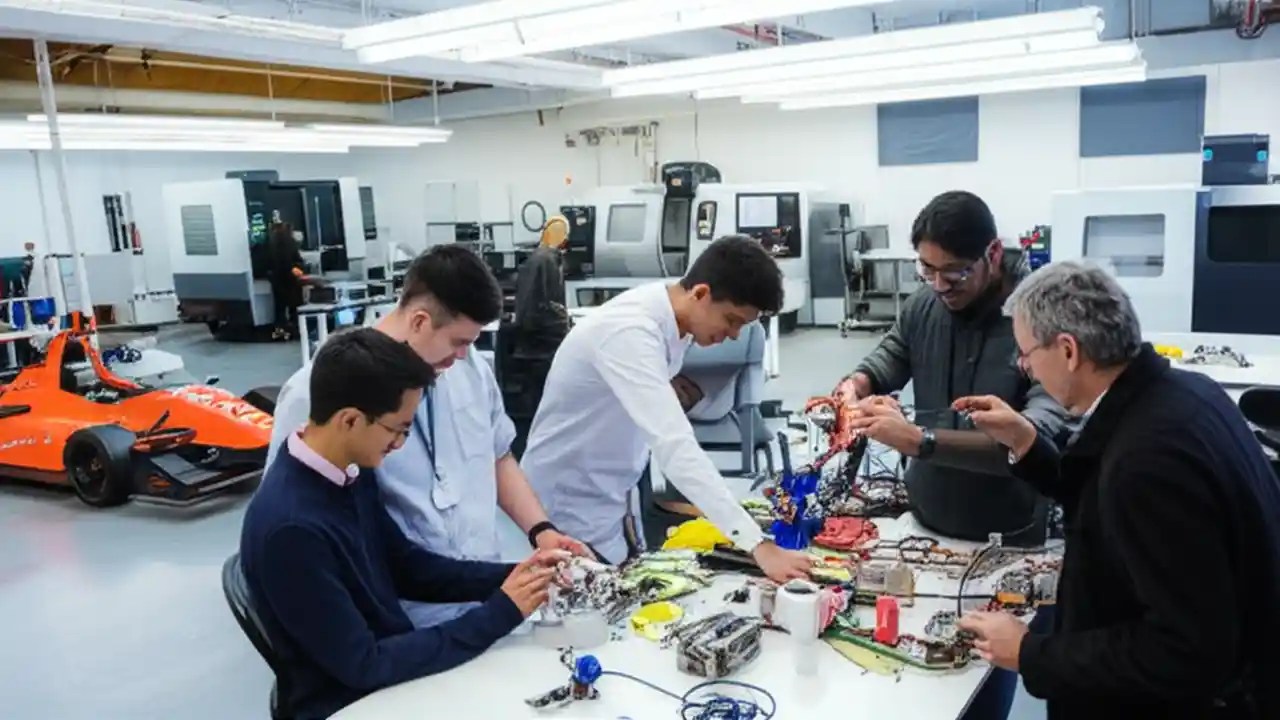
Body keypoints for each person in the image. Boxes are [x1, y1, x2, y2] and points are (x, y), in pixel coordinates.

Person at [953, 260, 1280, 719]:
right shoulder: (1184, 393)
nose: (1026, 370)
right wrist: (1026, 442)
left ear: (1068, 351)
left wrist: (1031, 653)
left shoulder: (1148, 459)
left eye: (1026, 355)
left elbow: (1187, 650)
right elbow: (1106, 499)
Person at [240, 328, 561, 720]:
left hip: (387, 670)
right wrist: (501, 612)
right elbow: (364, 665)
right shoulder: (292, 531)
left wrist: (519, 575)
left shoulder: (347, 470)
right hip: (353, 702)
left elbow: (407, 567)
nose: (400, 444)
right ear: (350, 420)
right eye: (398, 429)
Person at [838, 191, 1071, 720]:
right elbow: (896, 350)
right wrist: (860, 381)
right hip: (927, 525)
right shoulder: (926, 304)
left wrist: (919, 441)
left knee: (983, 681)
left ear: (993, 254)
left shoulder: (1036, 321)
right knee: (920, 683)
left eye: (955, 273)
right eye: (927, 270)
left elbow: (1038, 437)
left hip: (1009, 537)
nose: (940, 285)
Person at [268, 245, 587, 628]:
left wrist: (541, 531)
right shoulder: (318, 389)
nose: (463, 355)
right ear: (420, 321)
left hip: (485, 592)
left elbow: (497, 455)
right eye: (458, 342)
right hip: (405, 618)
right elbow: (299, 513)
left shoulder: (468, 369)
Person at [520, 235, 814, 583]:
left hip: (612, 491)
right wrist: (757, 545)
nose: (735, 335)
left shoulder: (673, 318)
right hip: (570, 502)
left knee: (622, 589)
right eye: (732, 320)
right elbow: (675, 446)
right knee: (581, 604)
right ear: (700, 294)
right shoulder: (630, 332)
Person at [513, 215, 571, 357]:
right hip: (543, 345)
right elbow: (549, 301)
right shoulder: (547, 260)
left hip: (531, 342)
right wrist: (564, 323)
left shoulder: (536, 259)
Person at [267, 222, 307, 341]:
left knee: (279, 308)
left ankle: (280, 331)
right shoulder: (290, 242)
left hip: (278, 279)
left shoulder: (270, 244)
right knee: (294, 307)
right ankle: (296, 330)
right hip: (291, 279)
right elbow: (297, 260)